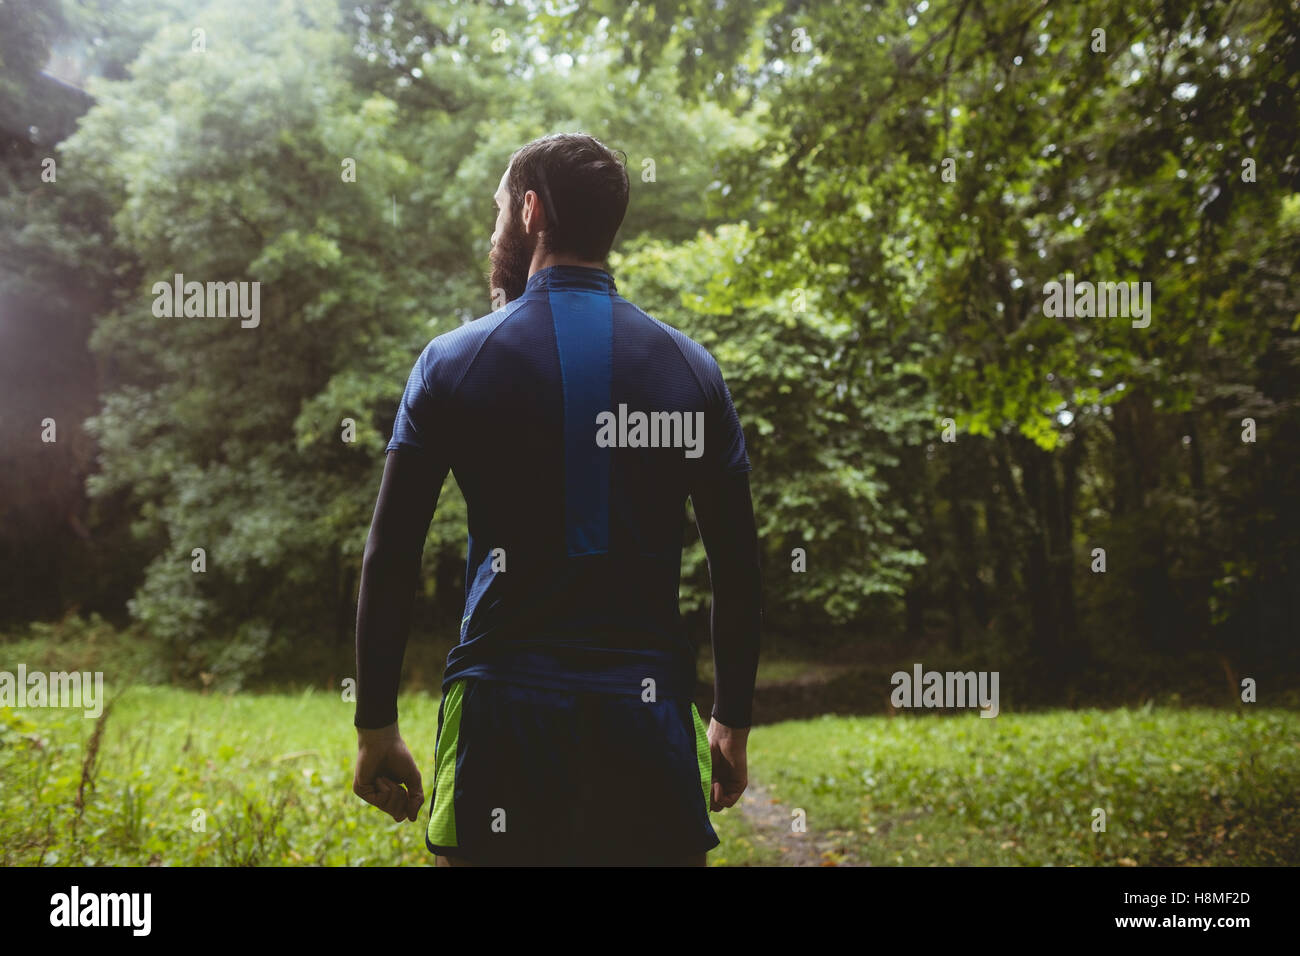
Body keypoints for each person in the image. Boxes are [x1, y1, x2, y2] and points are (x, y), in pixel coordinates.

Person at [351, 132, 762, 866]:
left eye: (500, 209)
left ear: (532, 211)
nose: (494, 227)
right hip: (647, 716)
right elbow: (739, 565)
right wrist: (731, 719)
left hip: (503, 712)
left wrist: (376, 726)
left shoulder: (451, 361)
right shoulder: (691, 370)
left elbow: (391, 554)